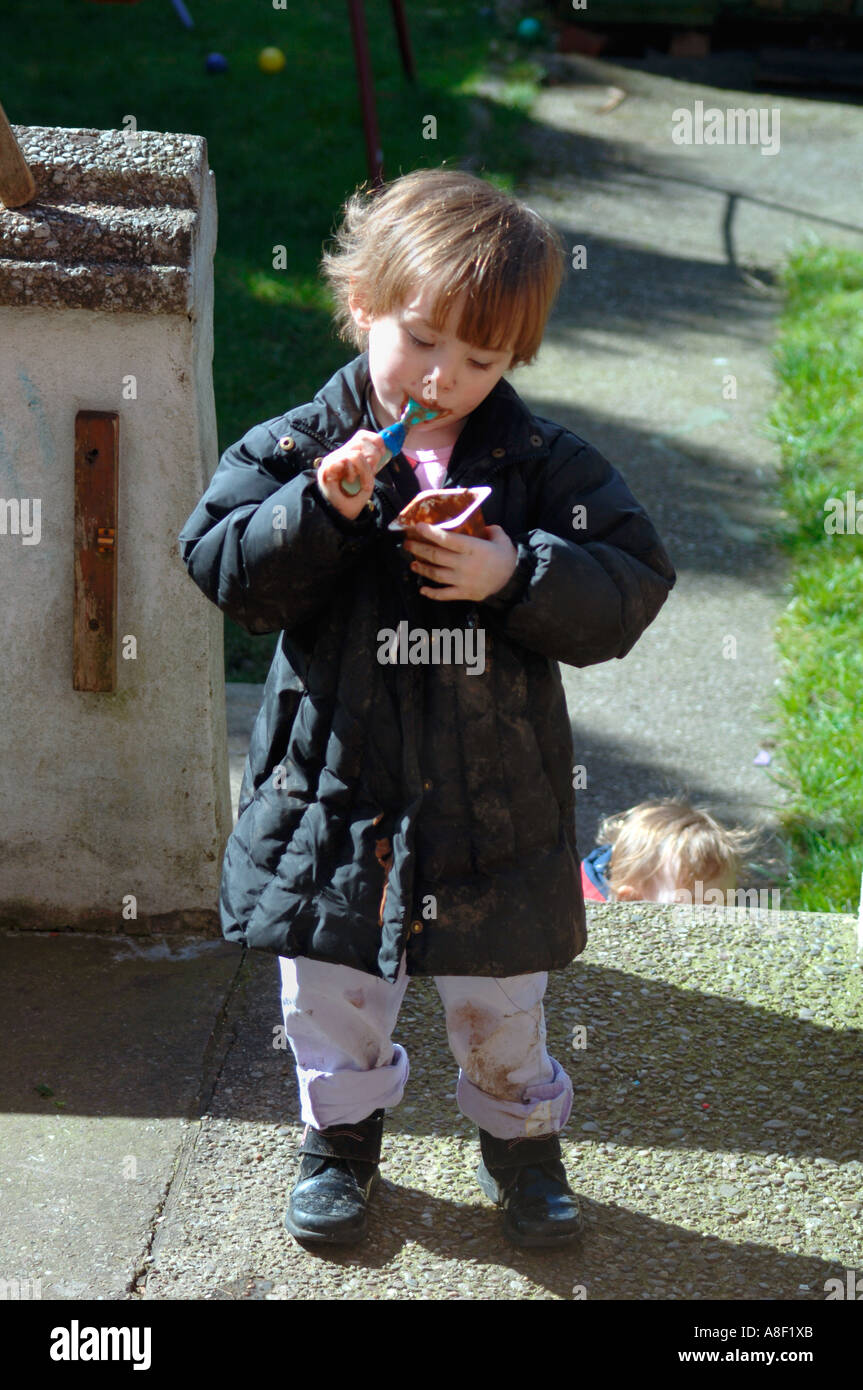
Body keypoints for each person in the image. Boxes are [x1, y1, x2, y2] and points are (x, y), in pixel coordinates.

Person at [178, 166, 677, 1250]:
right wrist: (317, 512)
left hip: (489, 801)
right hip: (335, 791)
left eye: (481, 358)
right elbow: (223, 568)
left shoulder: (542, 463)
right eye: (419, 342)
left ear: (514, 359)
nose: (443, 377)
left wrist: (514, 574)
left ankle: (520, 1140)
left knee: (500, 996)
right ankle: (340, 1140)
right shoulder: (295, 448)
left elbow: (631, 582)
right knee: (331, 990)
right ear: (359, 307)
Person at [581, 798, 755, 904]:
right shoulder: (585, 930)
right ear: (630, 901)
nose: (712, 916)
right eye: (691, 903)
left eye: (723, 900)